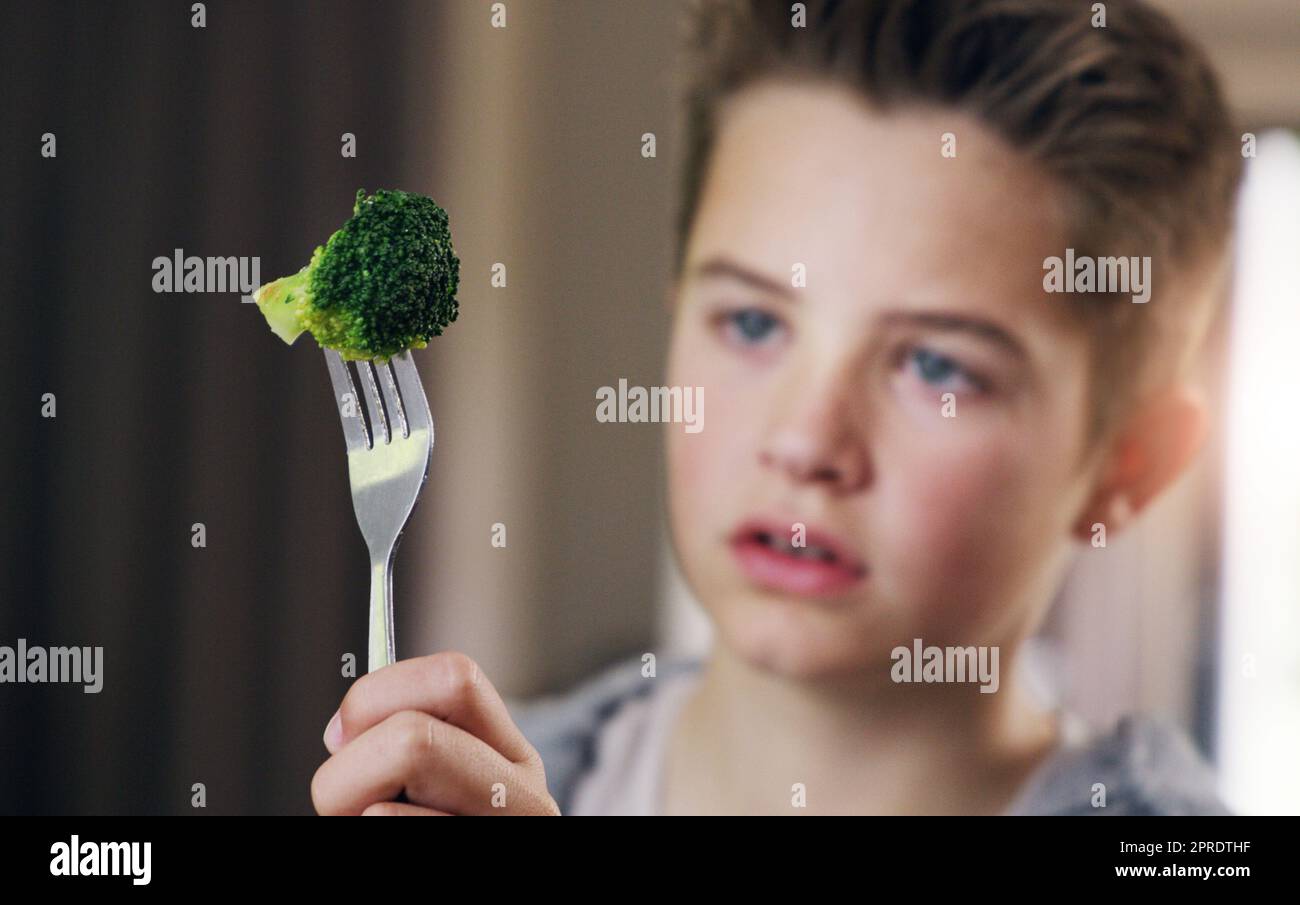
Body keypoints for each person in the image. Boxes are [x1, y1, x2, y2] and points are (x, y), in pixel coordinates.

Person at [310, 0, 1244, 815]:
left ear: (1132, 460)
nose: (805, 441)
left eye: (937, 365)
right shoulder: (448, 787)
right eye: (753, 321)